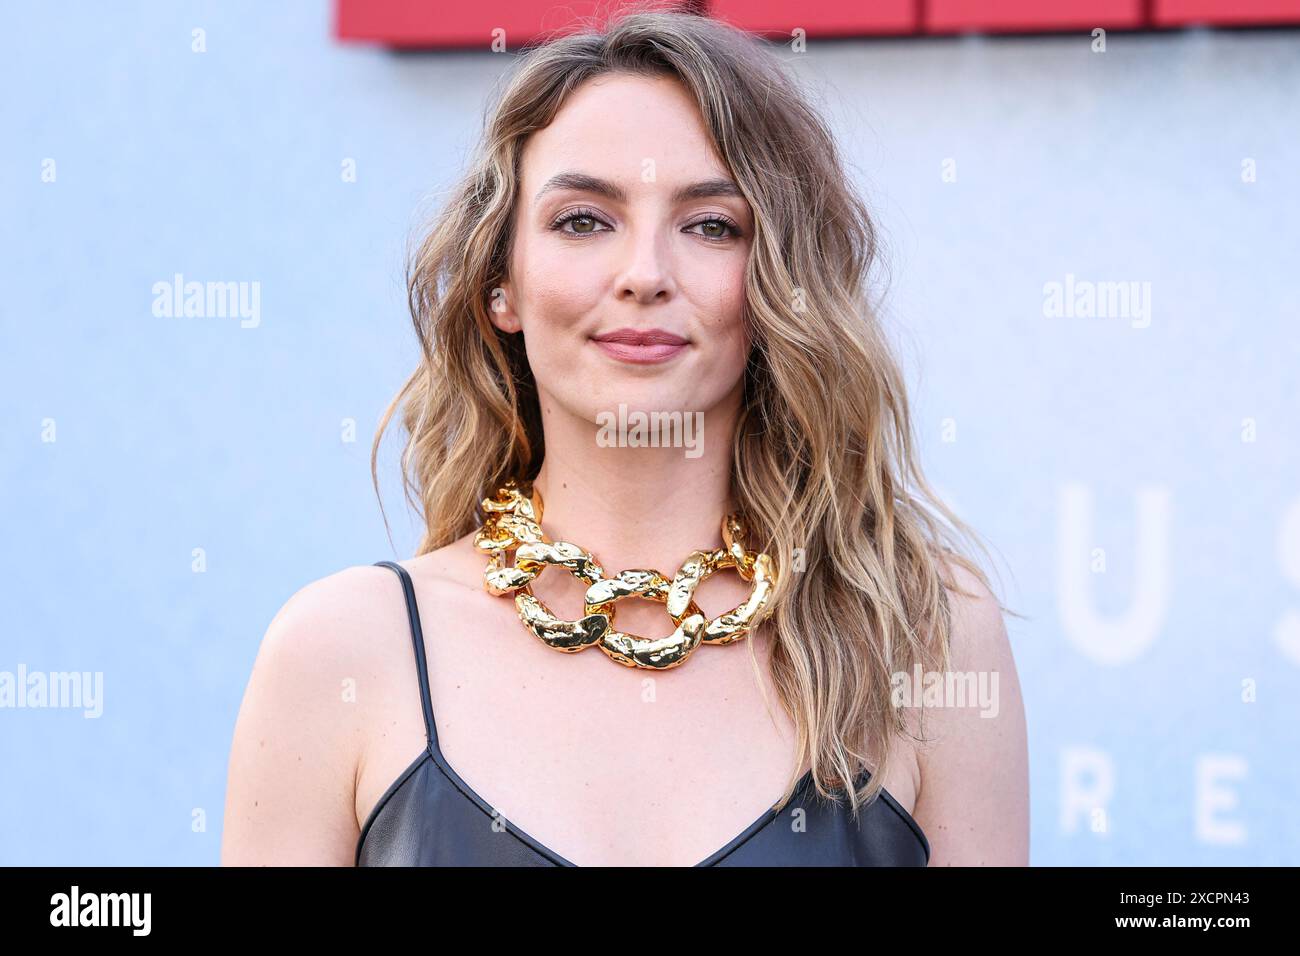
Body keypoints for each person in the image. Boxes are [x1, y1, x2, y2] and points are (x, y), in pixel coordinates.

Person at [221, 8, 1028, 867]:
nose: (645, 273)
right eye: (583, 221)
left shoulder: (922, 632)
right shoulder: (344, 649)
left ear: (779, 287)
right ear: (502, 283)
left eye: (711, 225)